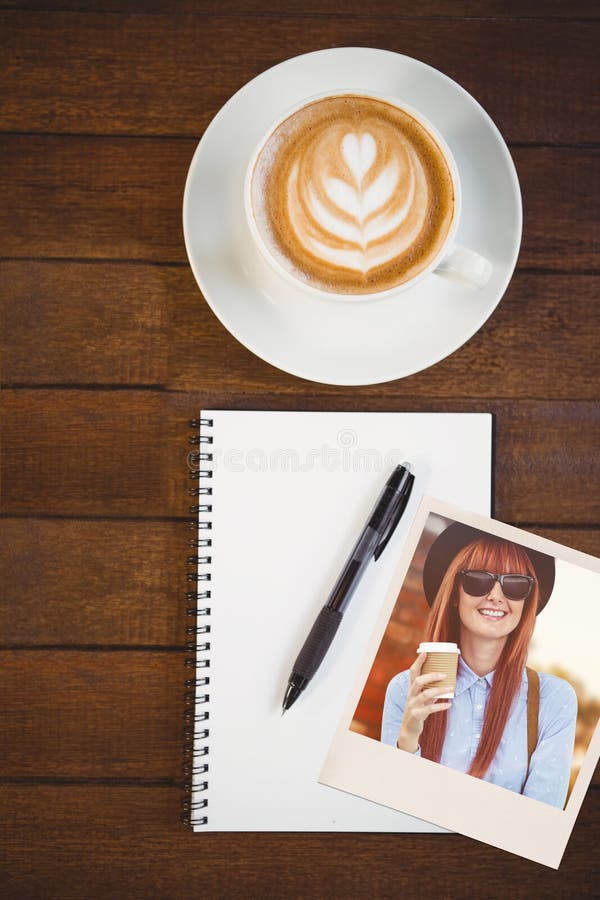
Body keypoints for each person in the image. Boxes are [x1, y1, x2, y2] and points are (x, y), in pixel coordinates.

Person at [381, 522, 577, 808]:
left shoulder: (554, 700)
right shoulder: (404, 690)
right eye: (478, 580)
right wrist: (408, 737)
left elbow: (539, 823)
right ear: (454, 595)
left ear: (526, 603)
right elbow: (389, 804)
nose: (496, 596)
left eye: (515, 584)